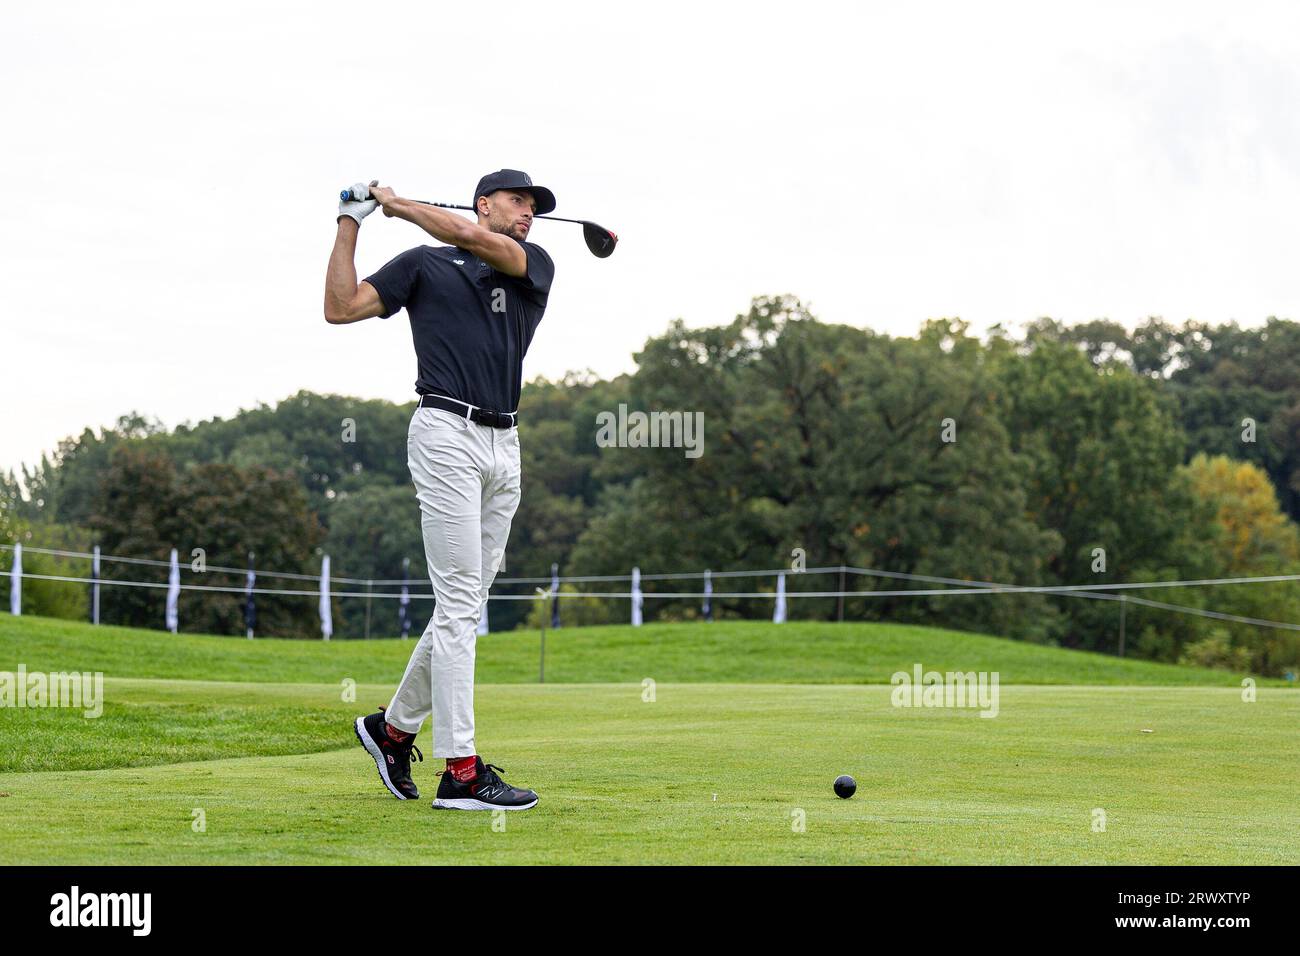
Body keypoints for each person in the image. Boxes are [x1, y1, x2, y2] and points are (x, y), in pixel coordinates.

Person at [323, 169, 556, 811]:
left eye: (534, 206)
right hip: (443, 431)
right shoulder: (423, 265)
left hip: (504, 444)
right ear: (486, 201)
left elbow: (466, 235)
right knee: (457, 606)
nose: (528, 213)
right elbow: (340, 307)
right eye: (518, 201)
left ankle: (390, 730)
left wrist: (398, 204)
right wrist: (351, 222)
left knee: (463, 607)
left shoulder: (531, 264)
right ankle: (460, 772)